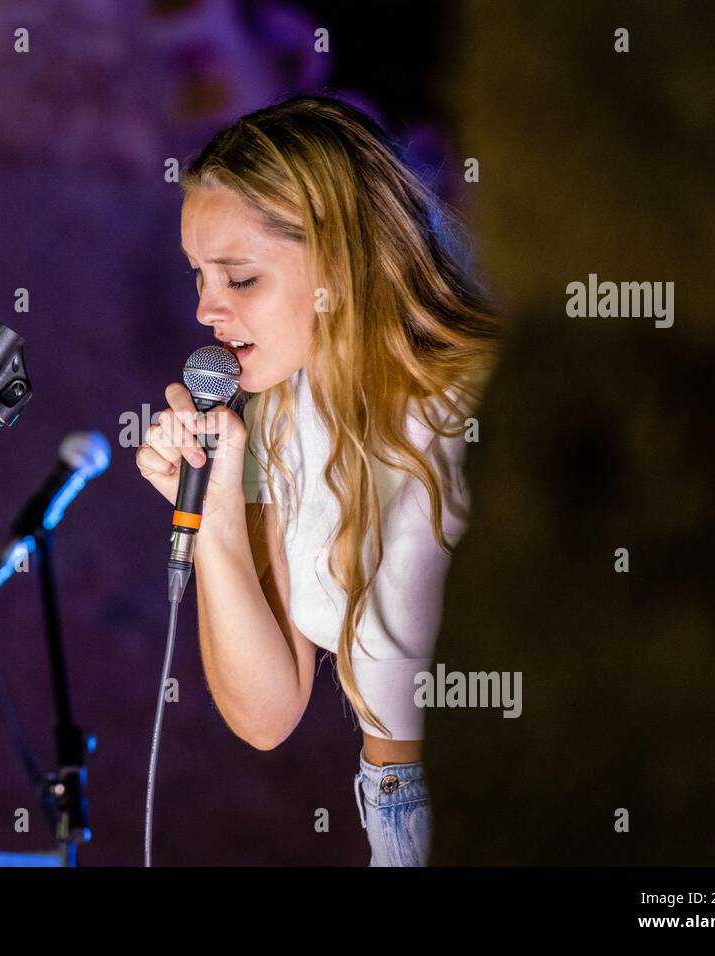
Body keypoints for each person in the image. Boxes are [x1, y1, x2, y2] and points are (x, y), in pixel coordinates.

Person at [135, 95, 501, 865]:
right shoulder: (274, 418)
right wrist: (213, 512)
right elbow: (265, 715)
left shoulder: (489, 399)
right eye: (199, 276)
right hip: (393, 809)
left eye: (239, 278)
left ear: (339, 259)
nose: (207, 308)